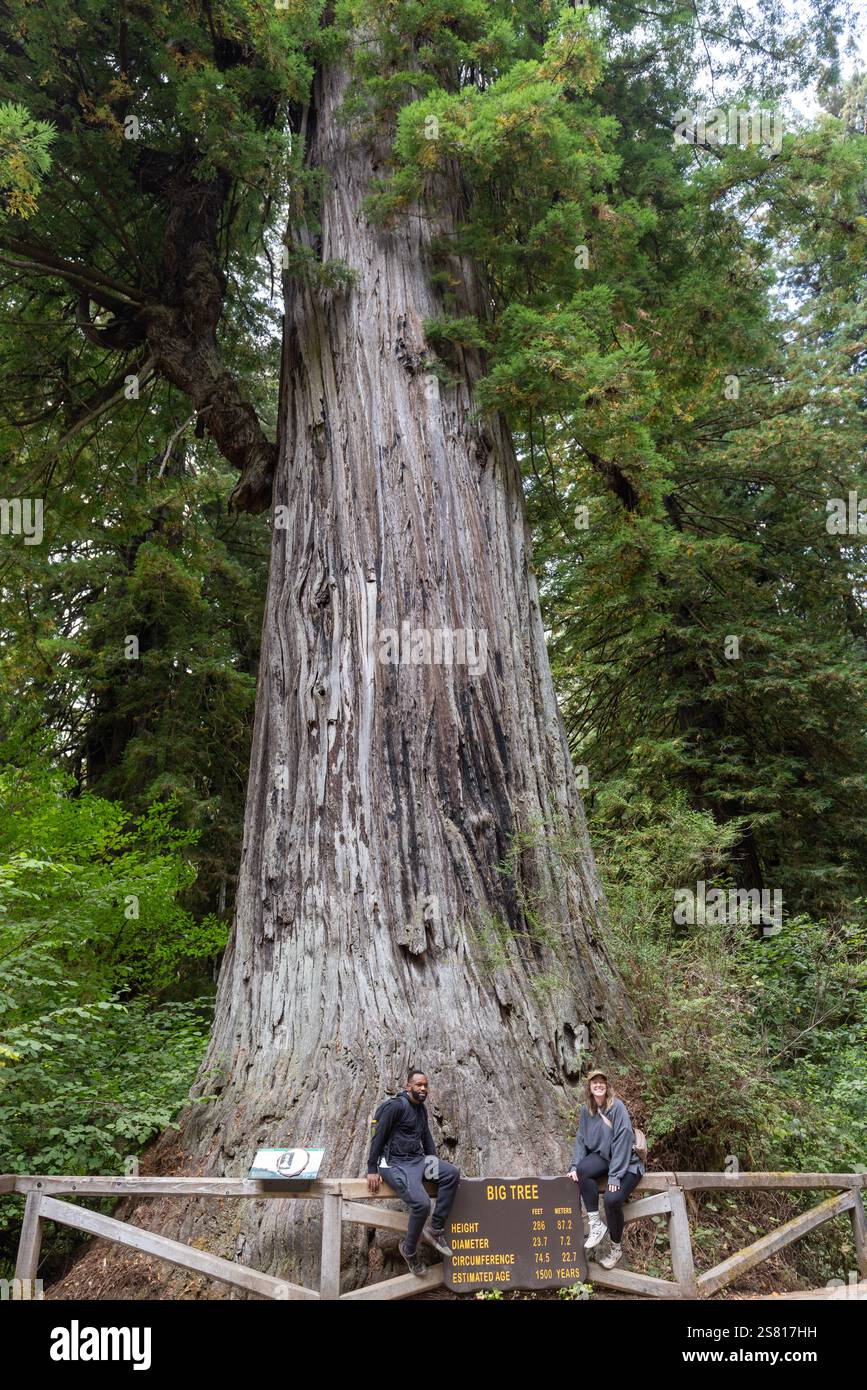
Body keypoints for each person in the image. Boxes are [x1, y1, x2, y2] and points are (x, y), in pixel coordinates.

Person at [367, 1068, 461, 1276]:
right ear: (408, 1086)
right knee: (422, 1203)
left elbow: (426, 1137)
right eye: (419, 1085)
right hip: (394, 1164)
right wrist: (372, 1168)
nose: (423, 1088)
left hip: (417, 1160)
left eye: (426, 1085)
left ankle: (435, 1230)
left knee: (451, 1174)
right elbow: (378, 1137)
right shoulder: (395, 1107)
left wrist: (434, 1162)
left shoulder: (421, 1109)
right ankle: (408, 1251)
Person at [567, 1068, 644, 1270]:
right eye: (595, 1082)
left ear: (607, 1086)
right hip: (606, 1158)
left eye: (602, 1082)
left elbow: (624, 1139)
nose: (599, 1085)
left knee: (612, 1199)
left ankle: (616, 1248)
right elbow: (581, 1139)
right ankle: (596, 1224)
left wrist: (615, 1177)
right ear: (590, 1088)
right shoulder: (587, 1110)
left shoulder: (617, 1107)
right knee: (583, 1170)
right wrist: (575, 1165)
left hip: (627, 1161)